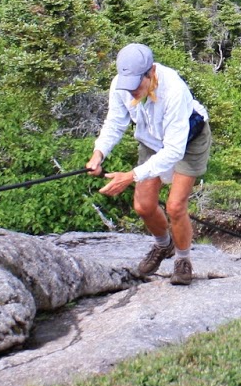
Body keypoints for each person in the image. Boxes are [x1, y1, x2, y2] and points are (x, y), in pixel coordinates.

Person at [87, 43, 212, 285]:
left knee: (175, 206)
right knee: (144, 206)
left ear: (151, 72)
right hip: (152, 140)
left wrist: (130, 175)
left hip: (188, 140)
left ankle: (183, 260)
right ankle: (164, 246)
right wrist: (98, 154)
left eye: (137, 84)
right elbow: (115, 122)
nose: (132, 91)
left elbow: (174, 150)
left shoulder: (173, 89)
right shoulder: (121, 85)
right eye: (128, 84)